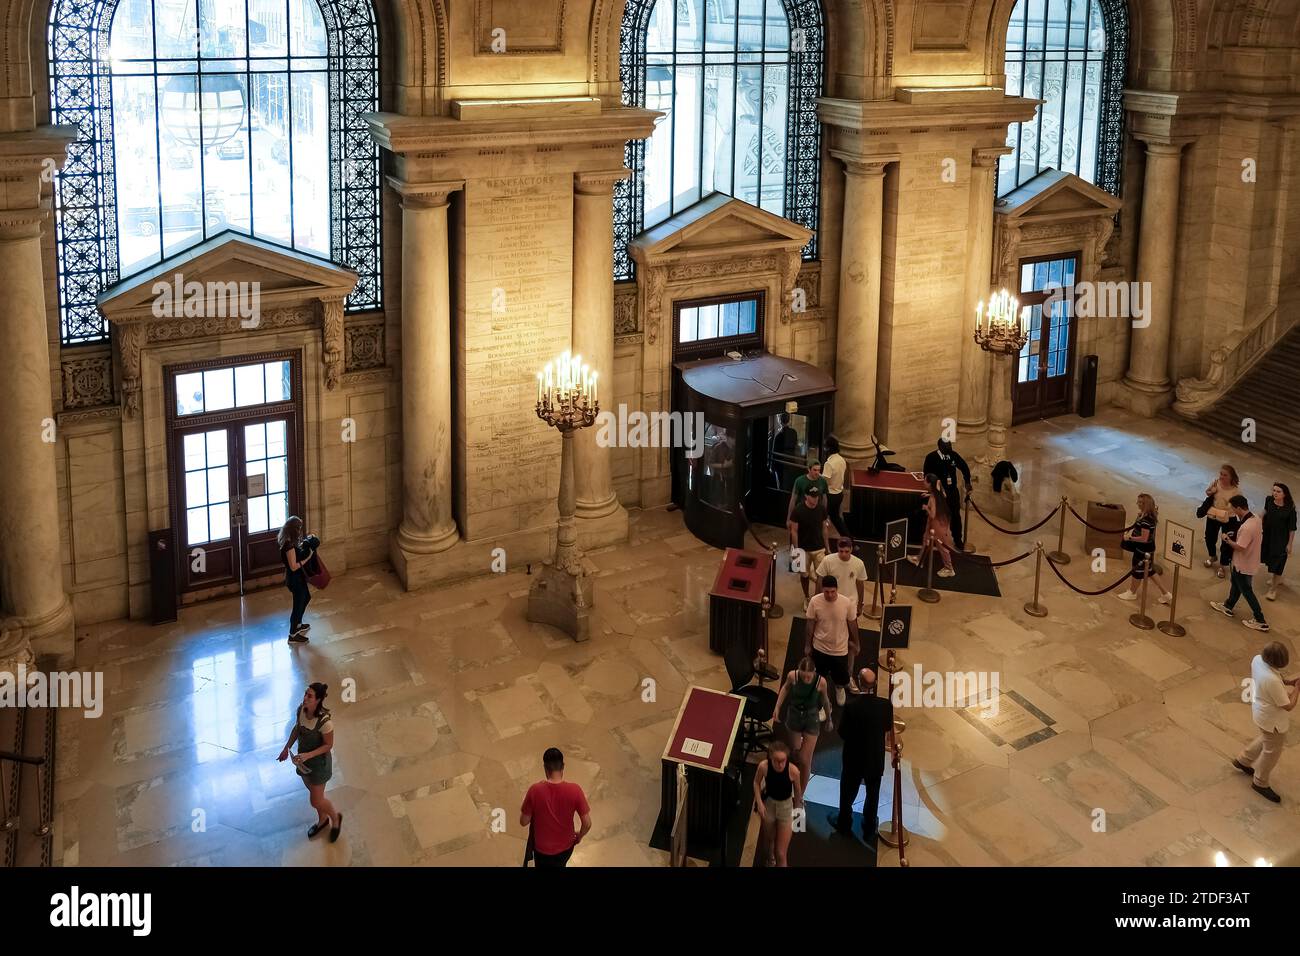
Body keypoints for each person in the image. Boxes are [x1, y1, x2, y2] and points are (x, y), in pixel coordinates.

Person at [828, 667, 894, 840]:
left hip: (854, 759)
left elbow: (843, 733)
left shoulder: (851, 707)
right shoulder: (885, 705)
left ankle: (844, 823)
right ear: (875, 684)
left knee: (848, 793)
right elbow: (887, 728)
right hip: (874, 758)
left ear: (858, 681)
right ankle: (869, 826)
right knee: (873, 795)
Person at [1232, 642, 1299, 803]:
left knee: (1267, 739)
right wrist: (1297, 688)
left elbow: (1275, 674)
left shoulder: (1257, 660)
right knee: (1272, 751)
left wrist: (1288, 682)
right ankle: (1260, 782)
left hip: (1260, 711)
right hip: (1272, 720)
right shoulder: (1272, 682)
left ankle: (1243, 760)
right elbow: (1288, 705)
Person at [277, 682, 342, 842]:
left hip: (319, 765)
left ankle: (335, 819)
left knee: (316, 800)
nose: (305, 697)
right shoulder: (301, 710)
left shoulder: (325, 723)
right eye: (306, 693)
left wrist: (308, 755)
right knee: (315, 794)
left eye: (310, 696)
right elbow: (296, 728)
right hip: (304, 763)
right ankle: (322, 820)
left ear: (318, 700)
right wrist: (287, 748)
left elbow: (328, 745)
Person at [772, 656, 832, 802]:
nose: (806, 679)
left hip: (811, 717)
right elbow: (785, 689)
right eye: (803, 676)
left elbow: (825, 700)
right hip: (794, 715)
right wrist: (777, 707)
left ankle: (799, 795)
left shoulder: (821, 682)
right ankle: (793, 775)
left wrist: (829, 718)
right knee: (796, 752)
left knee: (805, 760)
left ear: (814, 673)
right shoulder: (793, 676)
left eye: (809, 676)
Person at [520, 747, 591, 867]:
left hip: (542, 849)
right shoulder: (575, 790)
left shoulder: (535, 790)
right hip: (566, 847)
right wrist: (580, 836)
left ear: (545, 767)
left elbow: (523, 821)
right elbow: (587, 823)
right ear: (563, 766)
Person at [1210, 494, 1269, 631]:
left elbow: (1240, 547)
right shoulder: (1255, 519)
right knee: (1236, 584)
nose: (1232, 512)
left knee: (1247, 591)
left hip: (1243, 564)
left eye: (1233, 509)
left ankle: (1260, 620)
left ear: (1238, 508)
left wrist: (1226, 539)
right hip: (1248, 562)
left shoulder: (1247, 527)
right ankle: (1228, 606)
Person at [804, 575, 858, 707]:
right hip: (820, 647)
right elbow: (810, 624)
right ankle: (822, 701)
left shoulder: (846, 603)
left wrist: (856, 642)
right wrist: (807, 645)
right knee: (819, 677)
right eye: (826, 592)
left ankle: (839, 689)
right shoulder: (815, 601)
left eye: (833, 591)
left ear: (837, 589)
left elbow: (852, 624)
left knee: (841, 675)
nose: (829, 595)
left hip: (839, 649)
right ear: (822, 589)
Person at [753, 741, 803, 867]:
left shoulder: (793, 771)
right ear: (770, 758)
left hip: (786, 808)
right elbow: (756, 783)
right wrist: (759, 802)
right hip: (769, 805)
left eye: (783, 761)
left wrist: (798, 813)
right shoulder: (764, 766)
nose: (780, 764)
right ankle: (770, 859)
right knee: (768, 841)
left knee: (781, 853)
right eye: (776, 760)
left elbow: (798, 792)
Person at [1117, 493, 1173, 605]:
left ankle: (1132, 592)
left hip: (1143, 550)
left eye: (1139, 502)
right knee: (1150, 570)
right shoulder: (1147, 515)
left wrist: (1130, 537)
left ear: (1145, 504)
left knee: (1137, 571)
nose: (1137, 504)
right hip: (1148, 548)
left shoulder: (1146, 520)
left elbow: (1144, 538)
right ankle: (1165, 593)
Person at [923, 438, 971, 549]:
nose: (950, 448)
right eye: (947, 447)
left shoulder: (953, 455)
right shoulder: (931, 458)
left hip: (952, 491)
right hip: (939, 493)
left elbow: (964, 467)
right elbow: (927, 475)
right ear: (940, 447)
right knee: (937, 517)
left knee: (955, 516)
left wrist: (967, 481)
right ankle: (935, 540)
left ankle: (958, 539)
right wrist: (931, 491)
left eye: (950, 446)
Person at [907, 474, 957, 578]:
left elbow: (933, 514)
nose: (923, 482)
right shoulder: (937, 492)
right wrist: (929, 495)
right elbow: (944, 495)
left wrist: (926, 508)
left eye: (925, 481)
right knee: (926, 540)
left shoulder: (934, 498)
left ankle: (949, 568)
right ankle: (920, 559)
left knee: (942, 547)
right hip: (936, 522)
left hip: (938, 524)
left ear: (930, 484)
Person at [788, 485, 833, 601]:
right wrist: (797, 550)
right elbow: (794, 531)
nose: (815, 499)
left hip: (819, 547)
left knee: (821, 575)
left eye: (817, 496)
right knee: (804, 575)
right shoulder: (798, 510)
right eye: (812, 497)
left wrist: (827, 547)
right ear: (806, 496)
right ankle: (807, 597)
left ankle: (816, 598)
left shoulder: (821, 509)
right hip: (804, 549)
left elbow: (824, 529)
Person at [279, 516, 315, 644]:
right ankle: (293, 634)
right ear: (293, 529)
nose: (300, 531)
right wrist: (308, 557)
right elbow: (293, 567)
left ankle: (298, 624)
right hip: (294, 579)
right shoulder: (288, 545)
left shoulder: (290, 542)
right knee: (298, 605)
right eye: (299, 528)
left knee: (306, 598)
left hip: (298, 578)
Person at [1202, 464, 1241, 579]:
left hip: (1228, 518)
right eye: (1221, 474)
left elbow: (1238, 505)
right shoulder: (1216, 483)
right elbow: (1207, 493)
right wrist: (1212, 491)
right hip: (1214, 515)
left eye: (1225, 475)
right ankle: (1212, 556)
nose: (1222, 477)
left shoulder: (1236, 490)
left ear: (1231, 477)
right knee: (1209, 537)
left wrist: (1227, 504)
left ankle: (1223, 566)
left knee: (1226, 543)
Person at [816, 536, 868, 620]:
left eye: (846, 551)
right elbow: (819, 579)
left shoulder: (859, 563)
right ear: (837, 548)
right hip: (832, 600)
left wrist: (860, 604)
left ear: (851, 549)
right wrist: (817, 599)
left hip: (850, 602)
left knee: (851, 628)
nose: (844, 554)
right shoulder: (827, 560)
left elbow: (860, 585)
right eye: (841, 551)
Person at [1262, 482, 1296, 602]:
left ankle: (1273, 589)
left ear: (1284, 494)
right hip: (1268, 535)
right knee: (1270, 559)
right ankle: (1277, 578)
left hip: (1281, 539)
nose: (1275, 493)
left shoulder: (1290, 508)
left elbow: (1292, 528)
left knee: (1278, 562)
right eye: (1274, 490)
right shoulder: (1269, 500)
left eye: (1278, 491)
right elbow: (1265, 512)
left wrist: (1290, 544)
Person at [822, 436, 849, 536]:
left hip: (830, 495)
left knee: (822, 519)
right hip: (839, 494)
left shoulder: (829, 464)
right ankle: (848, 538)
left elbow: (825, 482)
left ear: (829, 448)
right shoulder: (842, 460)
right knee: (836, 518)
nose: (824, 449)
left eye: (825, 447)